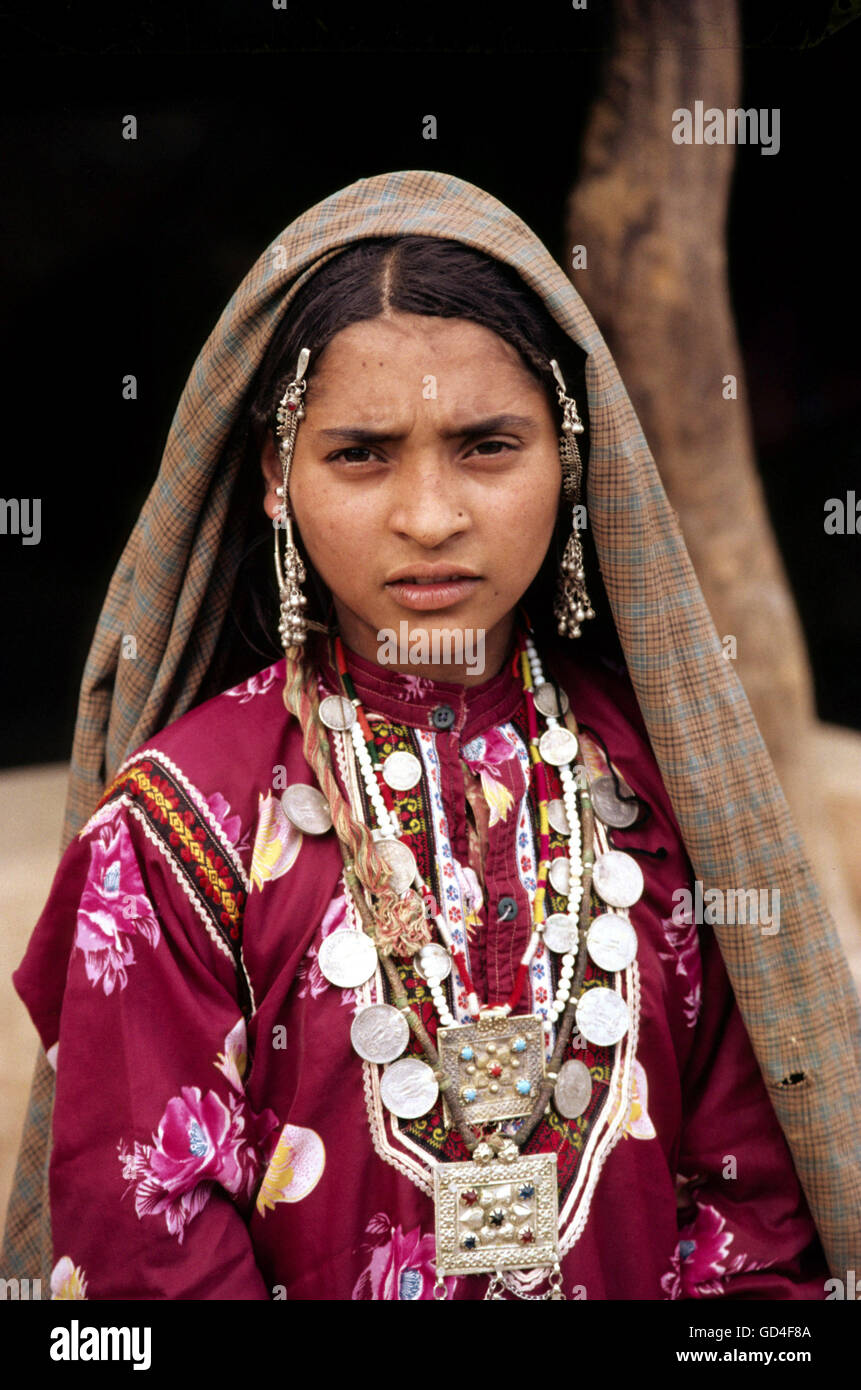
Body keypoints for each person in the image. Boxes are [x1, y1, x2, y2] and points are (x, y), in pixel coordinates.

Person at [5, 171, 860, 1301]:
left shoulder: (671, 796)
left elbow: (758, 1207)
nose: (430, 516)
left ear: (571, 453)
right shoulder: (176, 832)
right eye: (361, 452)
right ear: (276, 474)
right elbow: (146, 1246)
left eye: (486, 446)